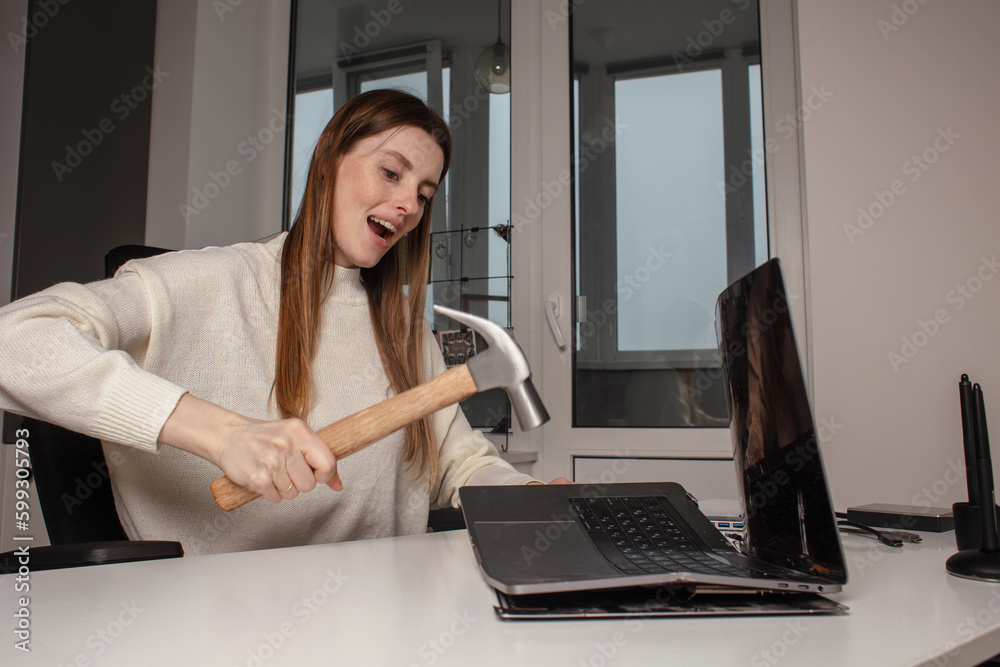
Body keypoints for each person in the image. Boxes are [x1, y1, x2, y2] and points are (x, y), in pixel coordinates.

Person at [0, 89, 561, 556]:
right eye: (390, 172)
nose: (407, 206)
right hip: (219, 617)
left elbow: (456, 466)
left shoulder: (401, 328)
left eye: (423, 194)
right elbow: (15, 340)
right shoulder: (207, 281)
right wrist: (222, 433)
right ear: (328, 157)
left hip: (384, 608)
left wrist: (527, 497)